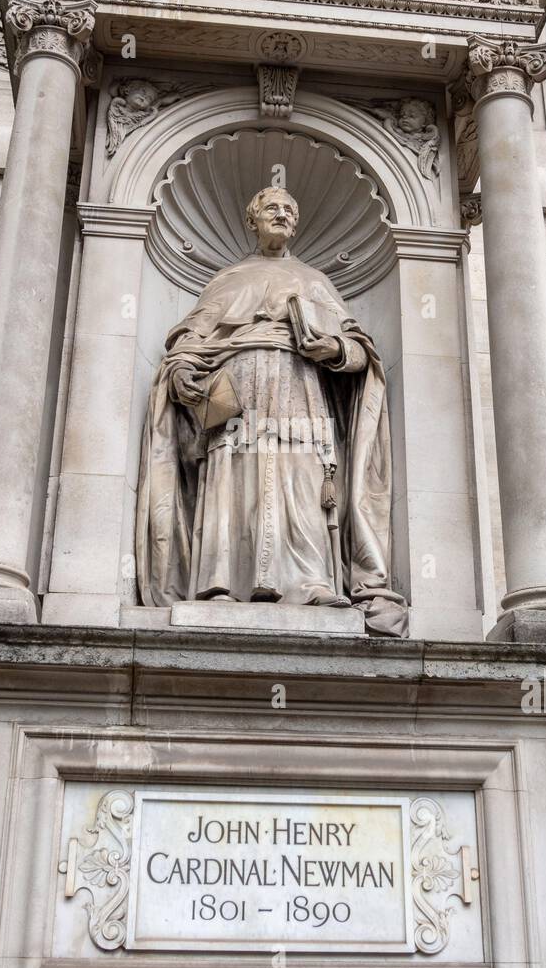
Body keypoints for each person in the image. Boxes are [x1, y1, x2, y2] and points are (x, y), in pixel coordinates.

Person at [135, 186, 408, 636]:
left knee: (302, 478)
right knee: (231, 475)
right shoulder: (229, 279)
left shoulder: (315, 282)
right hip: (236, 386)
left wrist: (334, 349)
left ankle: (313, 581)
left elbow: (360, 353)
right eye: (271, 208)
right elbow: (190, 338)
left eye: (288, 209)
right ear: (253, 220)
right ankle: (219, 581)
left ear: (296, 224)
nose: (281, 215)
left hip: (300, 384)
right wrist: (183, 370)